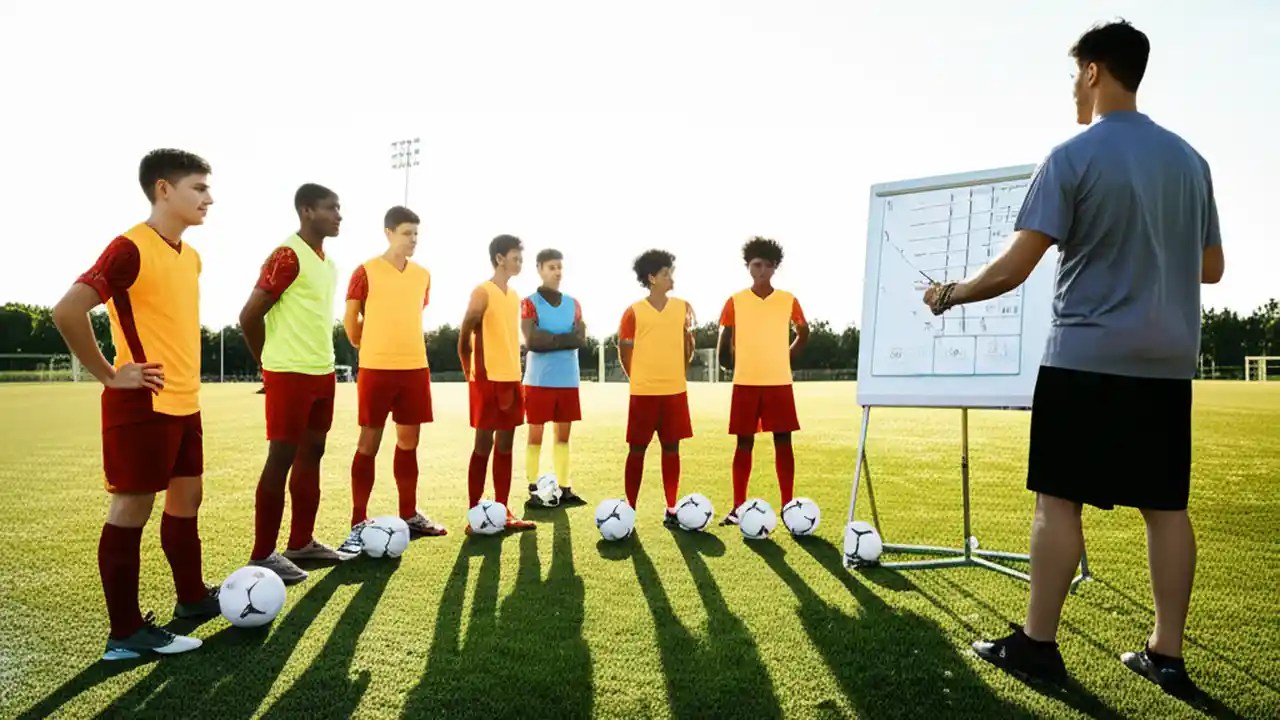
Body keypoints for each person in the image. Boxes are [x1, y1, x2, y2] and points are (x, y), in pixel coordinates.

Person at [924, 20, 1223, 701]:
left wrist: (949, 294)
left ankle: (1037, 646)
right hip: (1166, 365)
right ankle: (1166, 657)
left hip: (1086, 358)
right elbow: (1212, 268)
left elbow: (1015, 267)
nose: (1073, 89)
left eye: (1074, 76)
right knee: (1165, 507)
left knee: (1057, 501)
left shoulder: (1072, 154)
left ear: (1092, 72)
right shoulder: (1191, 161)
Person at [52, 149, 218, 659]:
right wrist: (109, 375)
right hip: (141, 403)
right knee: (133, 506)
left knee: (187, 499)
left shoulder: (190, 257)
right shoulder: (129, 247)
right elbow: (68, 309)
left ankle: (191, 599)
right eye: (198, 188)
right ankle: (124, 634)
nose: (208, 199)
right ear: (163, 189)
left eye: (209, 190)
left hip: (185, 402)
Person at [240, 183, 351, 583]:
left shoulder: (329, 263)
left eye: (340, 208)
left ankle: (301, 541)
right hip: (288, 372)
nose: (339, 215)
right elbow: (249, 316)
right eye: (330, 208)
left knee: (313, 453)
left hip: (323, 371)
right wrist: (266, 366)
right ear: (307, 211)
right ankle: (262, 554)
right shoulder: (287, 255)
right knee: (281, 457)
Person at [337, 206, 448, 556]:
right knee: (369, 441)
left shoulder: (423, 275)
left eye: (416, 233)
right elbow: (350, 318)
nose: (413, 239)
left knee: (409, 441)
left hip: (415, 367)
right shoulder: (365, 271)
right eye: (406, 233)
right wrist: (363, 344)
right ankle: (358, 521)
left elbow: (415, 311)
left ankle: (409, 513)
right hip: (376, 368)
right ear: (388, 233)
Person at [715, 237, 810, 525]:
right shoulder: (735, 301)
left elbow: (804, 332)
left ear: (775, 267)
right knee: (744, 443)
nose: (762, 270)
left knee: (784, 441)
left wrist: (785, 357)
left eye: (769, 265)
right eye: (757, 265)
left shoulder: (788, 300)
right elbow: (724, 340)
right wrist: (729, 363)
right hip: (745, 383)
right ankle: (737, 507)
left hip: (779, 383)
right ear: (748, 267)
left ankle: (788, 507)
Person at [459, 234, 537, 532]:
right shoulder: (483, 291)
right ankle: (473, 515)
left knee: (505, 446)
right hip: (487, 379)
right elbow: (465, 332)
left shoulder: (515, 296)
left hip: (511, 378)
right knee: (483, 444)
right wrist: (469, 371)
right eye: (516, 257)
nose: (520, 262)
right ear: (500, 258)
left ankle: (503, 512)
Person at [618, 249, 696, 526]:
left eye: (670, 273)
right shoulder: (633, 312)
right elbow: (624, 350)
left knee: (671, 448)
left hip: (674, 392)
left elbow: (689, 346)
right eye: (665, 274)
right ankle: (629, 509)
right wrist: (638, 379)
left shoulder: (683, 308)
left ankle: (672, 508)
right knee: (636, 449)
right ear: (652, 278)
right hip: (643, 394)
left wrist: (678, 375)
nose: (671, 278)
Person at [520, 248, 588, 508]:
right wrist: (565, 339)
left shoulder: (574, 304)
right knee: (535, 435)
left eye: (560, 267)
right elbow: (532, 342)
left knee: (563, 438)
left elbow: (580, 340)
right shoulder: (529, 303)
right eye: (551, 267)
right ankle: (533, 487)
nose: (557, 272)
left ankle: (565, 487)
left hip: (568, 380)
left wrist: (549, 338)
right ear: (539, 269)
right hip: (538, 380)